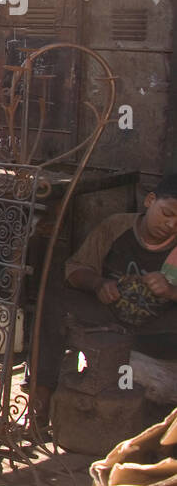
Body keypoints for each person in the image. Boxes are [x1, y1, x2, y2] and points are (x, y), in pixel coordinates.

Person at [31, 173, 177, 409]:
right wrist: (97, 284)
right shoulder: (116, 226)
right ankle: (41, 397)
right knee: (55, 301)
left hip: (156, 330)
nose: (171, 225)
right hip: (109, 316)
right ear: (150, 200)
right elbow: (75, 269)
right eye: (167, 214)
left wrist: (171, 292)